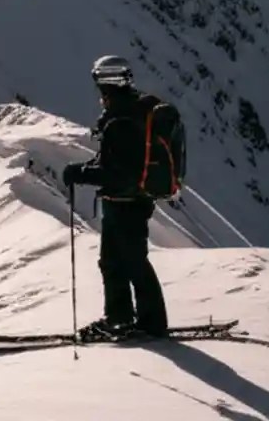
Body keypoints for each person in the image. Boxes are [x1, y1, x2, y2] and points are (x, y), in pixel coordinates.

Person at [63, 55, 169, 339]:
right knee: (114, 261)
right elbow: (117, 166)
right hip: (127, 201)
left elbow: (118, 173)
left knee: (131, 260)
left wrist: (80, 174)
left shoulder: (120, 121)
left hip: (126, 202)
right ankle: (120, 317)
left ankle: (149, 322)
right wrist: (86, 171)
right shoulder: (131, 112)